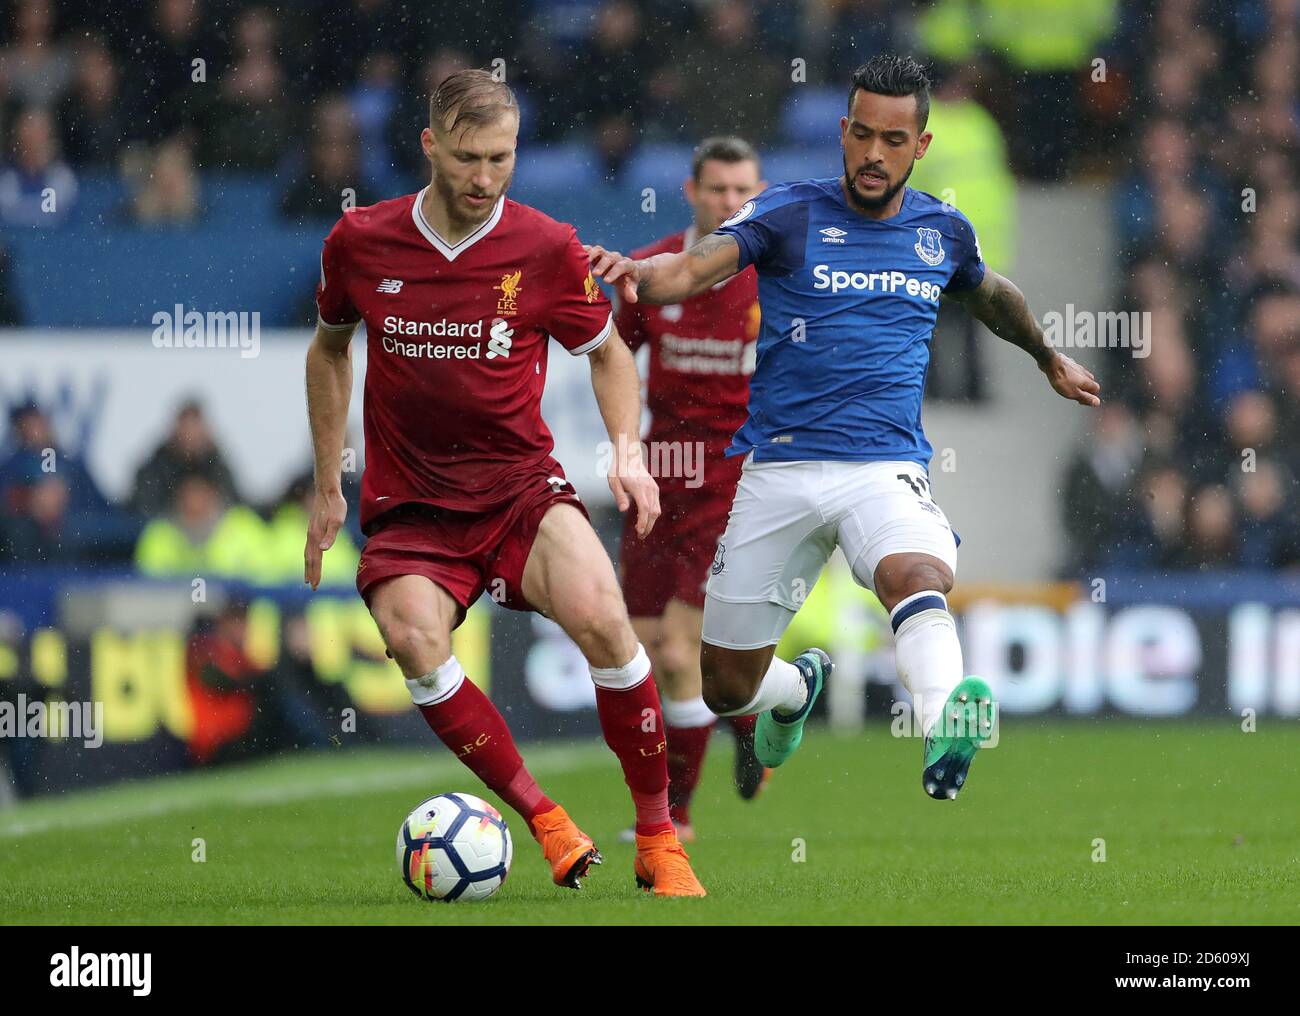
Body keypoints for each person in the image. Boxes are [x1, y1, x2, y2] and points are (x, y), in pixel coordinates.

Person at [587, 55, 1100, 800]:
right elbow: (694, 268)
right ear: (842, 131)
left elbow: (992, 294)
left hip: (883, 468)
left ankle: (943, 726)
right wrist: (641, 274)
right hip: (780, 470)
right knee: (725, 685)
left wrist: (1047, 356)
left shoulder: (942, 232)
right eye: (862, 134)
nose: (873, 154)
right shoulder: (788, 213)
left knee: (916, 578)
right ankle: (795, 690)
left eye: (893, 140)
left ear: (920, 145)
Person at [304, 69, 704, 896]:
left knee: (606, 619)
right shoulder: (360, 241)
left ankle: (660, 839)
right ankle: (545, 820)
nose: (485, 178)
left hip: (520, 491)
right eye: (467, 158)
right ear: (429, 146)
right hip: (413, 507)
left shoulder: (546, 246)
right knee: (414, 639)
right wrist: (326, 482)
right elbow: (329, 350)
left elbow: (607, 353)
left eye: (501, 158)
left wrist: (627, 452)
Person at [615, 136, 767, 843]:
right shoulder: (653, 270)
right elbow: (611, 357)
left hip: (731, 484)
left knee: (678, 653)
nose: (730, 202)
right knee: (648, 653)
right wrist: (623, 449)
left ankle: (672, 820)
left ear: (758, 194)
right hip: (658, 480)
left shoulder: (772, 277)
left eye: (743, 191)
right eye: (717, 189)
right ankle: (745, 715)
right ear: (692, 192)